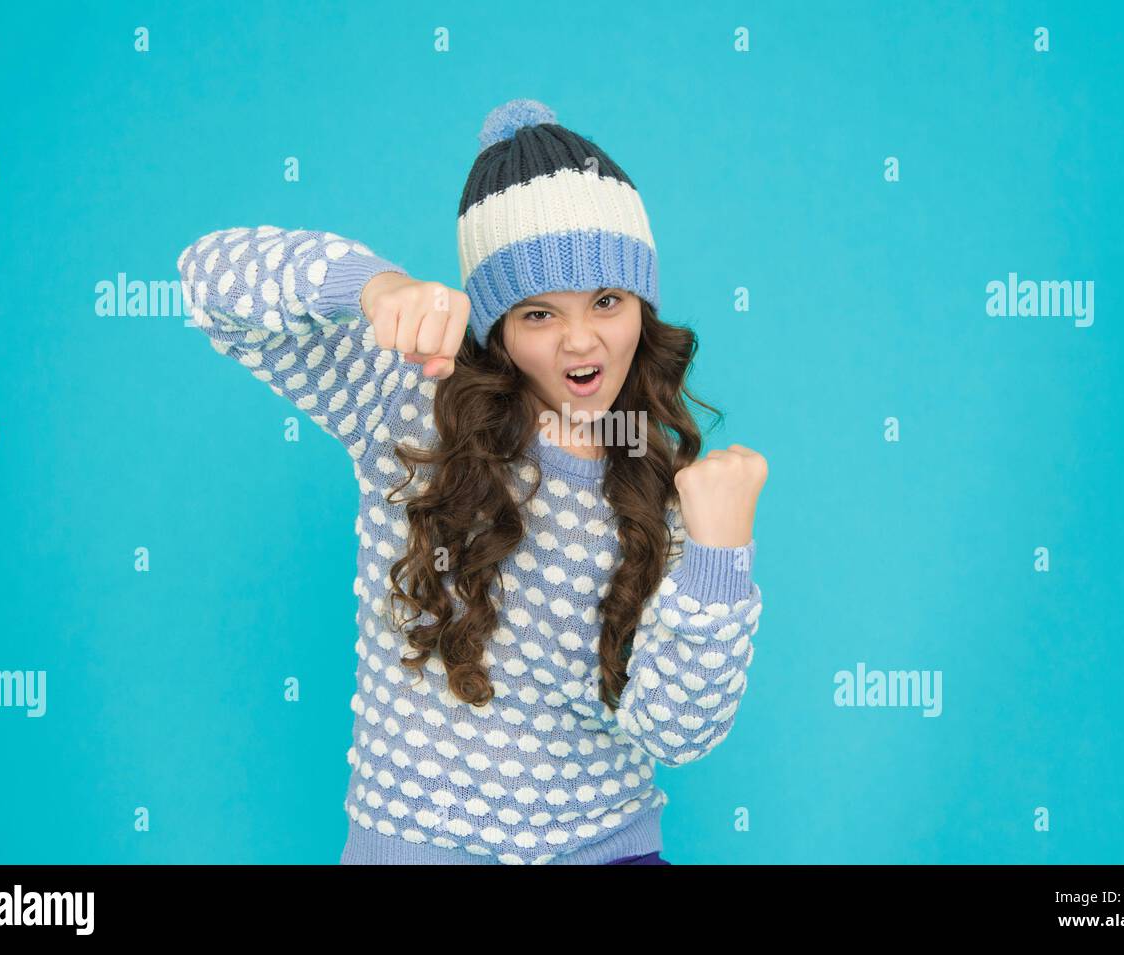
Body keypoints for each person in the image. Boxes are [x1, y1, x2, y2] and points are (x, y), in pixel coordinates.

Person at [175, 98, 767, 865]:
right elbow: (207, 279)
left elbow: (676, 733)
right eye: (538, 313)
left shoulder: (668, 485)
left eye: (607, 302)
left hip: (611, 849)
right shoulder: (410, 404)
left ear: (642, 307)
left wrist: (720, 559)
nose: (581, 341)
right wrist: (373, 287)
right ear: (498, 329)